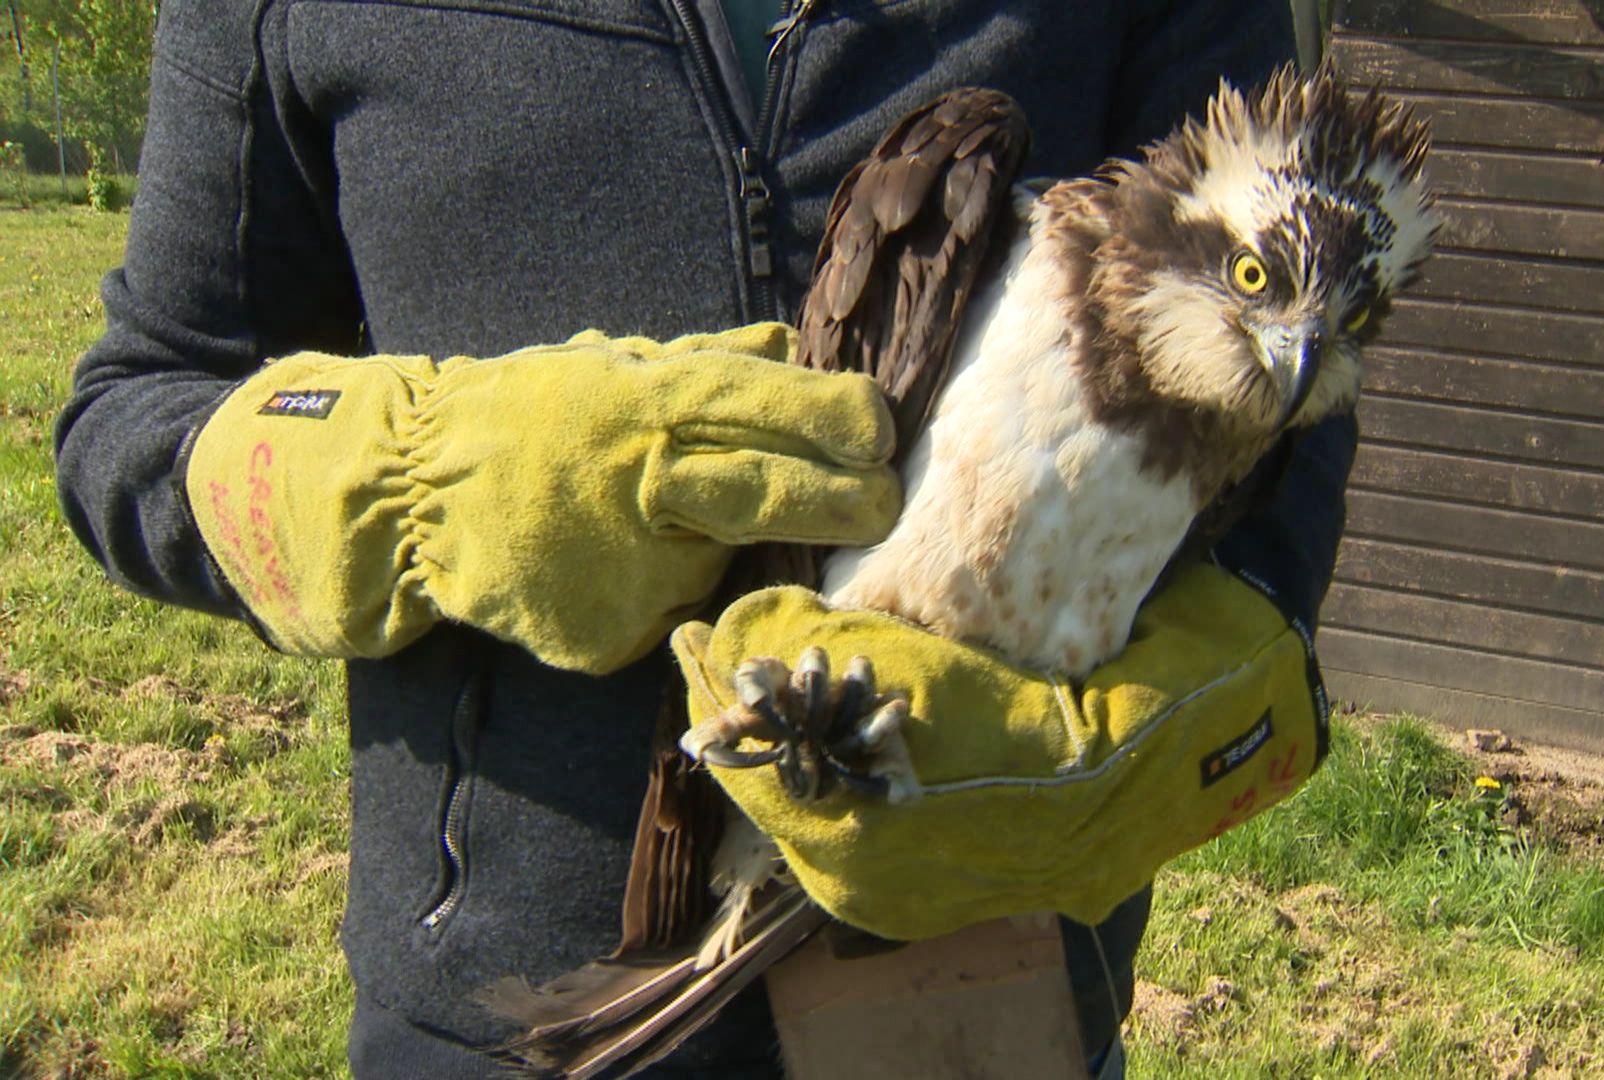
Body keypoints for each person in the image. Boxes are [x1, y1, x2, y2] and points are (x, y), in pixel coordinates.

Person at [56, 0, 1353, 1074]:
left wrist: (1221, 654)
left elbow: (1284, 378)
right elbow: (137, 417)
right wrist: (418, 480)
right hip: (516, 1016)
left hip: (980, 991)